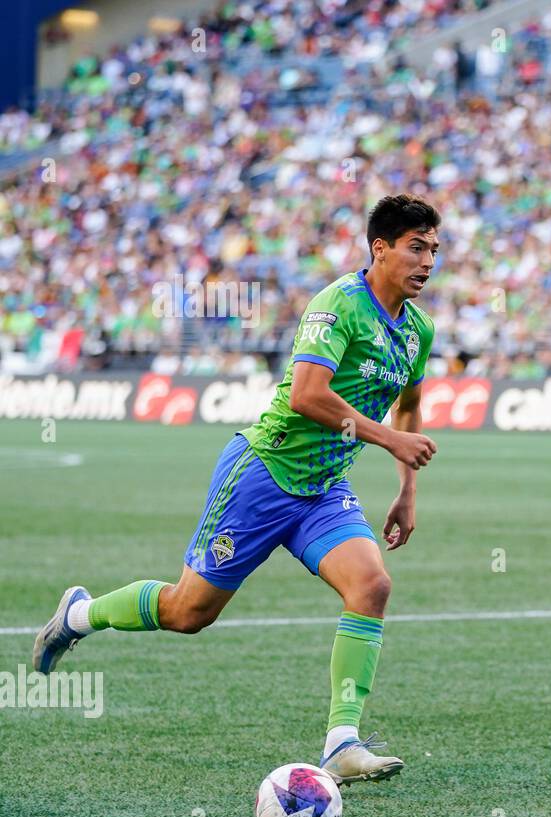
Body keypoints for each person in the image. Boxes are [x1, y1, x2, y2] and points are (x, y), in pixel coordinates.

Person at [33, 195, 443, 785]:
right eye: (415, 247)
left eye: (433, 249)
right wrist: (387, 442)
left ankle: (341, 742)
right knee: (187, 612)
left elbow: (409, 407)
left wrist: (406, 489)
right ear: (380, 248)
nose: (427, 260)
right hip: (263, 473)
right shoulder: (338, 305)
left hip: (323, 488)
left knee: (371, 584)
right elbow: (307, 395)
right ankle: (79, 614)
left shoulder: (419, 330)